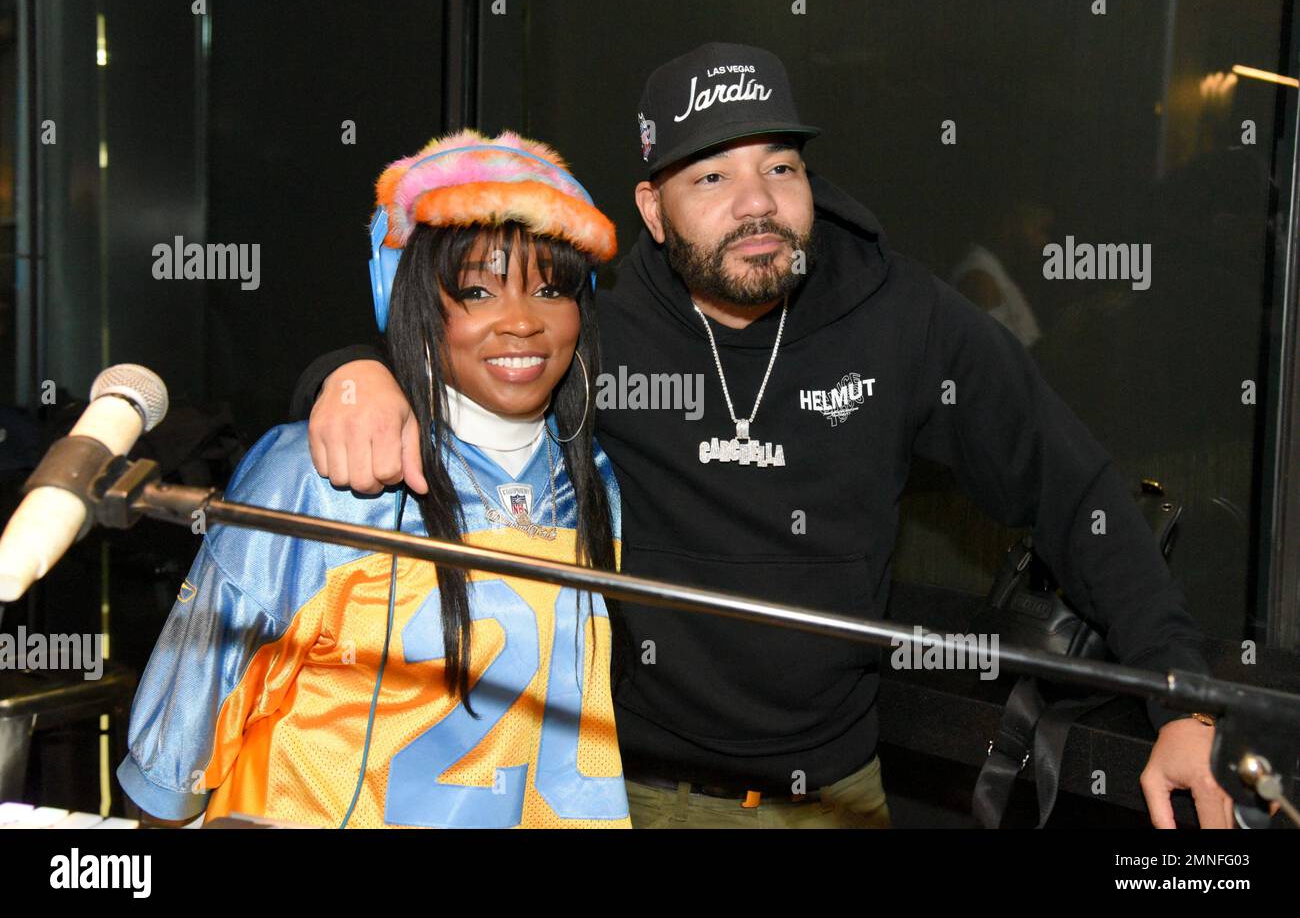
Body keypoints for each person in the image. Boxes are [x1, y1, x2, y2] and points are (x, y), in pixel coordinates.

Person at [293, 43, 1230, 829]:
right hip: (632, 798)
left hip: (838, 800)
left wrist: (1184, 700)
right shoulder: (598, 331)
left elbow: (1074, 488)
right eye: (712, 176)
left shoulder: (903, 320)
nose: (756, 204)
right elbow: (450, 344)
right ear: (653, 211)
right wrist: (349, 374)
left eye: (779, 167)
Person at [117, 129, 632, 828]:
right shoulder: (313, 472)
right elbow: (172, 757)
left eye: (551, 289)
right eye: (478, 289)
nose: (522, 321)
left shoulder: (593, 482)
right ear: (412, 301)